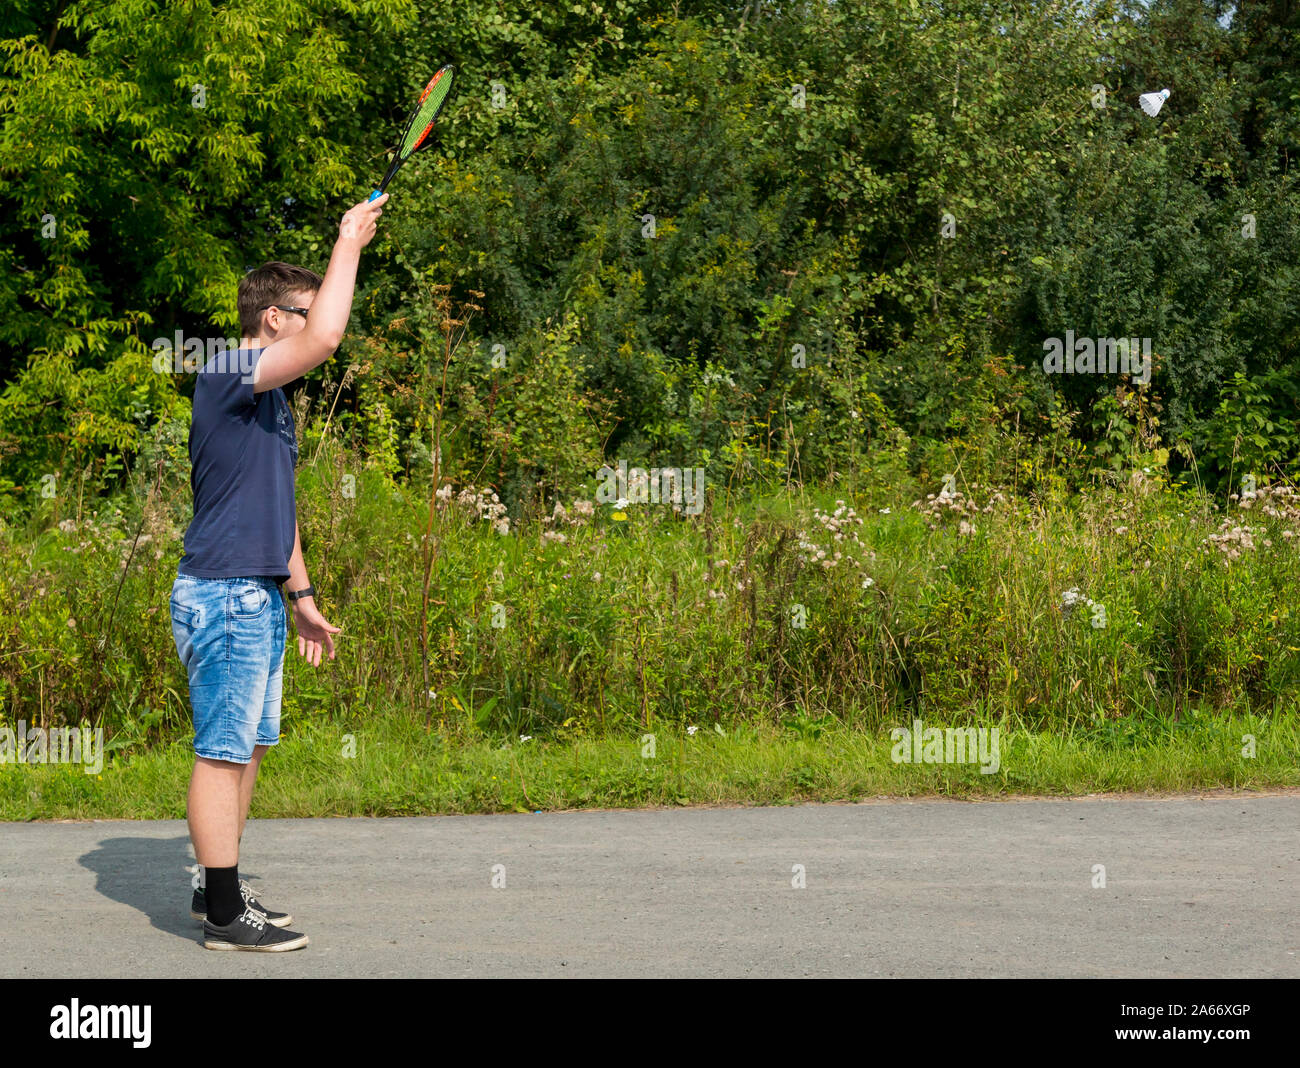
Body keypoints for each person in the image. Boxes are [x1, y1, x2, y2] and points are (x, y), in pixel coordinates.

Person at [168, 193, 388, 950]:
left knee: (249, 746)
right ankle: (227, 917)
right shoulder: (229, 371)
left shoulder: (274, 408)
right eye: (303, 309)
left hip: (257, 593)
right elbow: (327, 337)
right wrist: (349, 240)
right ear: (272, 320)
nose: (318, 321)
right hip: (223, 591)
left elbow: (279, 509)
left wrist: (302, 596)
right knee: (221, 751)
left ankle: (214, 886)